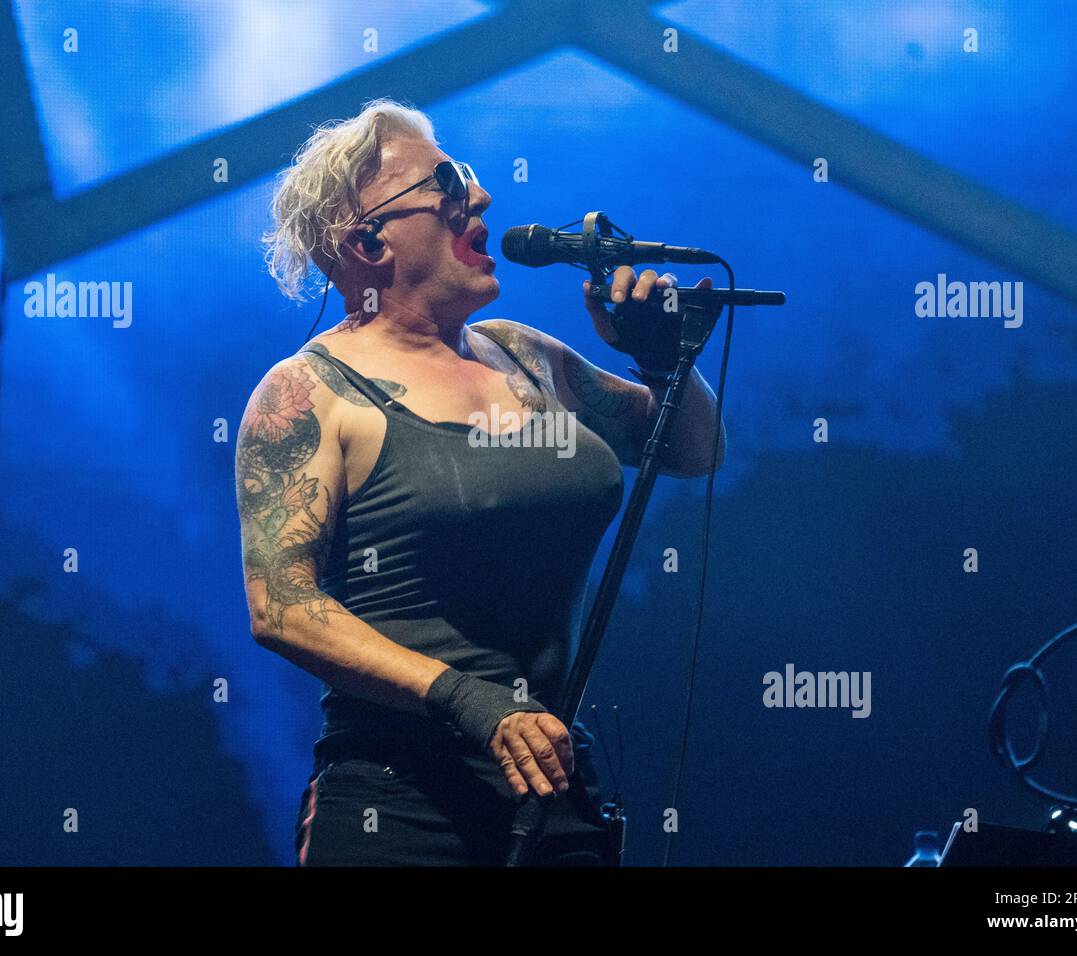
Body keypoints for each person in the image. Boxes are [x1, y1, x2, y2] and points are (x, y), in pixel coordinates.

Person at [239, 98, 724, 866]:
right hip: (399, 806)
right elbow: (281, 607)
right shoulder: (309, 393)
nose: (482, 197)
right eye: (447, 180)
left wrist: (667, 359)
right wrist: (466, 698)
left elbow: (691, 449)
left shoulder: (523, 357)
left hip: (551, 789)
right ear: (366, 235)